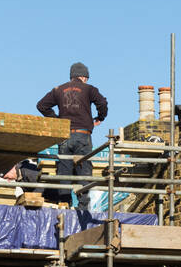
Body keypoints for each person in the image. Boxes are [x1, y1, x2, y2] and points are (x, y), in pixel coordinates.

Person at [11, 63, 108, 211]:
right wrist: (100, 117)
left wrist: (57, 120)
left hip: (65, 136)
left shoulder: (59, 89)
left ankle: (64, 204)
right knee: (84, 170)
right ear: (83, 77)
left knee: (64, 171)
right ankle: (83, 208)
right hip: (83, 135)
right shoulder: (89, 89)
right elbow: (102, 102)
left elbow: (41, 105)